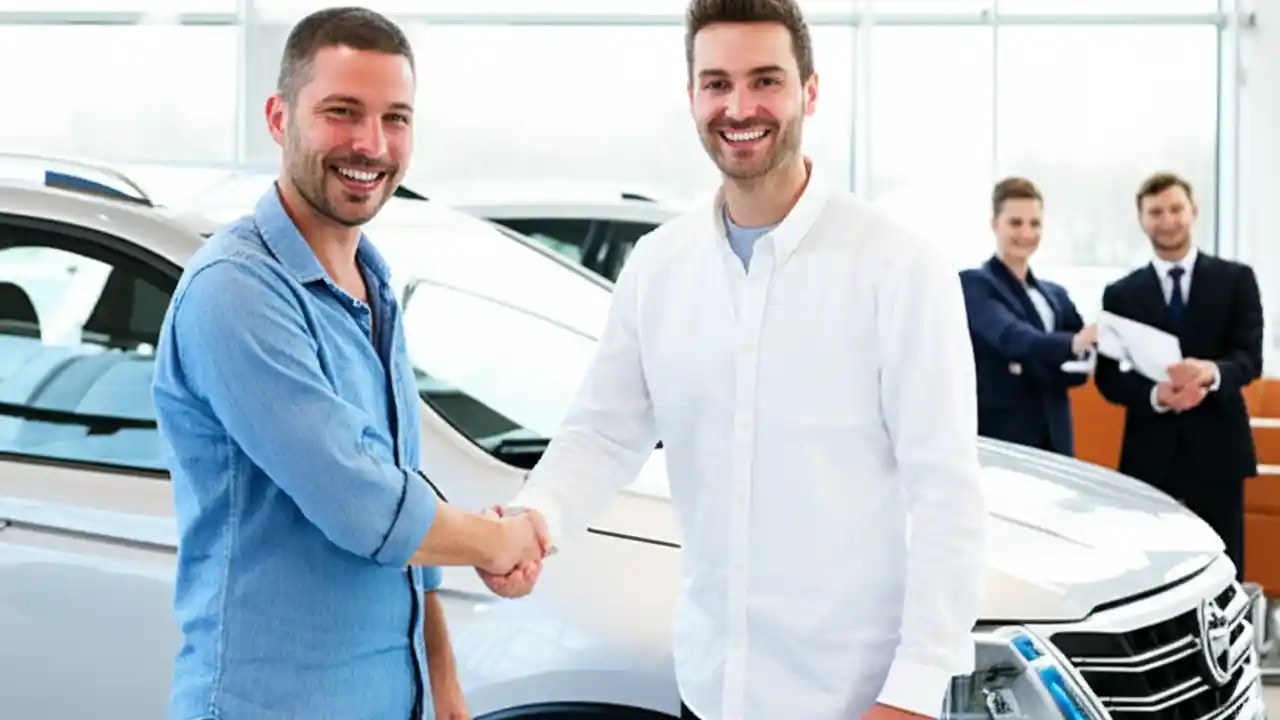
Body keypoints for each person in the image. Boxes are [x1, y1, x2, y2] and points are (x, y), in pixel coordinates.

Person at [480, 1, 987, 718]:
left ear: (809, 91)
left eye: (765, 81)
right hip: (710, 690)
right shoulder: (659, 266)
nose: (739, 106)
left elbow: (947, 492)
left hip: (853, 699)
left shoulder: (900, 267)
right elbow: (603, 433)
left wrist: (914, 688)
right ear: (691, 95)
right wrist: (535, 520)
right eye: (716, 83)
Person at [150, 8, 547, 720]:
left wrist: (445, 687)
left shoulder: (374, 283)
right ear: (278, 118)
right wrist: (499, 540)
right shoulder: (234, 291)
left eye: (396, 118)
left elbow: (401, 497)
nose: (371, 143)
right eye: (342, 112)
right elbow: (365, 506)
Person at [1094, 172, 1263, 580]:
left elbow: (1249, 357)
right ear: (1142, 219)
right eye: (1156, 212)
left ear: (1193, 212)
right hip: (1150, 452)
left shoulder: (1236, 279)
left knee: (1224, 569)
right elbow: (1109, 379)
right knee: (1147, 573)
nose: (1167, 220)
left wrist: (1211, 372)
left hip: (1218, 447)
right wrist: (1156, 395)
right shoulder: (1120, 294)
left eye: (1175, 209)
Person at [959, 177, 1096, 456]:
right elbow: (1010, 337)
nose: (1026, 233)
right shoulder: (975, 284)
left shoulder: (1056, 295)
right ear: (994, 223)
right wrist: (1069, 347)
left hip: (1056, 434)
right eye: (1015, 223)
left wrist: (1068, 351)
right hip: (1005, 436)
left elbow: (1083, 361)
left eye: (1035, 224)